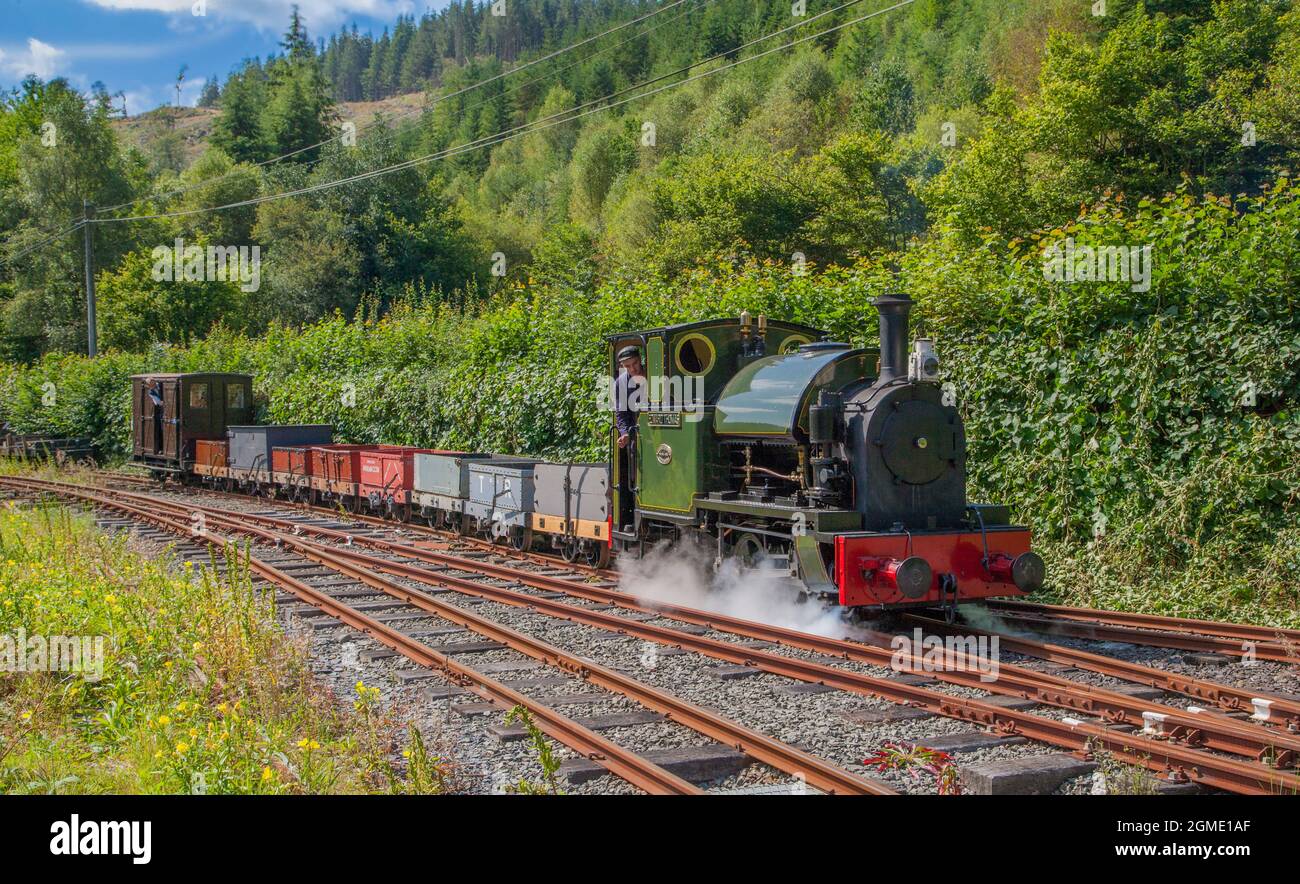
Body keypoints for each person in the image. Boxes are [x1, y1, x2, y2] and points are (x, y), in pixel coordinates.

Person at [614, 345, 646, 448]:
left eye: (635, 363)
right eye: (627, 366)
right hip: (637, 434)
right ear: (622, 366)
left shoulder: (654, 374)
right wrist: (625, 433)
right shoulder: (621, 383)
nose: (632, 369)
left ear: (640, 358)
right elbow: (621, 413)